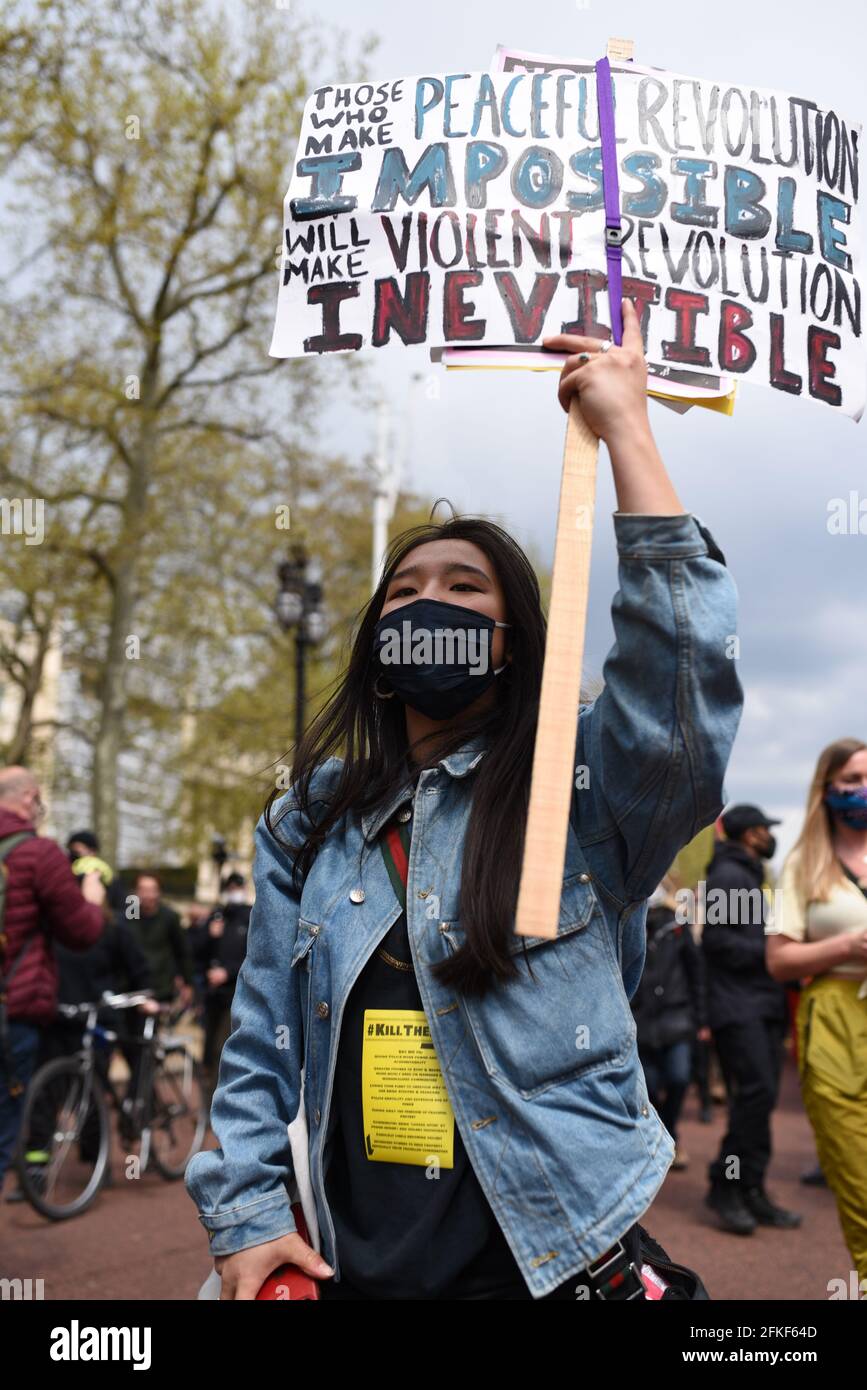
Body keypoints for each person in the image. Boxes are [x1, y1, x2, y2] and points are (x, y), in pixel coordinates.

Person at [185, 297, 744, 1301]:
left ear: (515, 640)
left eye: (465, 588)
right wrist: (248, 1216)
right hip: (355, 1260)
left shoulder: (583, 791)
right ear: (376, 648)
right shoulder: (309, 819)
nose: (427, 604)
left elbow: (682, 692)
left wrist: (629, 430)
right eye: (403, 594)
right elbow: (261, 1031)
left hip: (554, 1257)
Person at [767, 737, 867, 1287]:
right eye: (850, 780)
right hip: (835, 1025)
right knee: (861, 1193)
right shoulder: (804, 863)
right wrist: (846, 948)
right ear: (825, 790)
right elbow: (779, 960)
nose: (861, 791)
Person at [0, 767, 105, 1187]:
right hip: (13, 1012)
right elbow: (80, 932)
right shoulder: (39, 853)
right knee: (5, 1127)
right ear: (30, 798)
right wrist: (92, 899)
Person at [702, 804, 801, 1235]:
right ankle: (726, 1184)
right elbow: (720, 944)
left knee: (759, 1101)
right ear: (747, 834)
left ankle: (752, 1188)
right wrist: (776, 956)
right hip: (737, 1006)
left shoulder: (747, 874)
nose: (769, 836)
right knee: (754, 1098)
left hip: (757, 1005)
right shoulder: (729, 876)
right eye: (764, 829)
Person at [631, 877, 709, 1170]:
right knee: (648, 1086)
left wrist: (702, 1019)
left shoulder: (677, 925)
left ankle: (670, 1132)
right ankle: (660, 1137)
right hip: (642, 1020)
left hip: (676, 1017)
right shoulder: (630, 924)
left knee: (678, 1077)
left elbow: (695, 972)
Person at [196, 874, 250, 1101]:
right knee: (207, 1054)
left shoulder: (250, 916)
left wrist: (227, 972)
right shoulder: (217, 916)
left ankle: (225, 1103)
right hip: (212, 997)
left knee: (224, 1051)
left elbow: (257, 958)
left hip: (236, 995)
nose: (234, 891)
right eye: (230, 888)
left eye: (237, 887)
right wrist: (209, 936)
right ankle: (207, 1103)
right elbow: (195, 952)